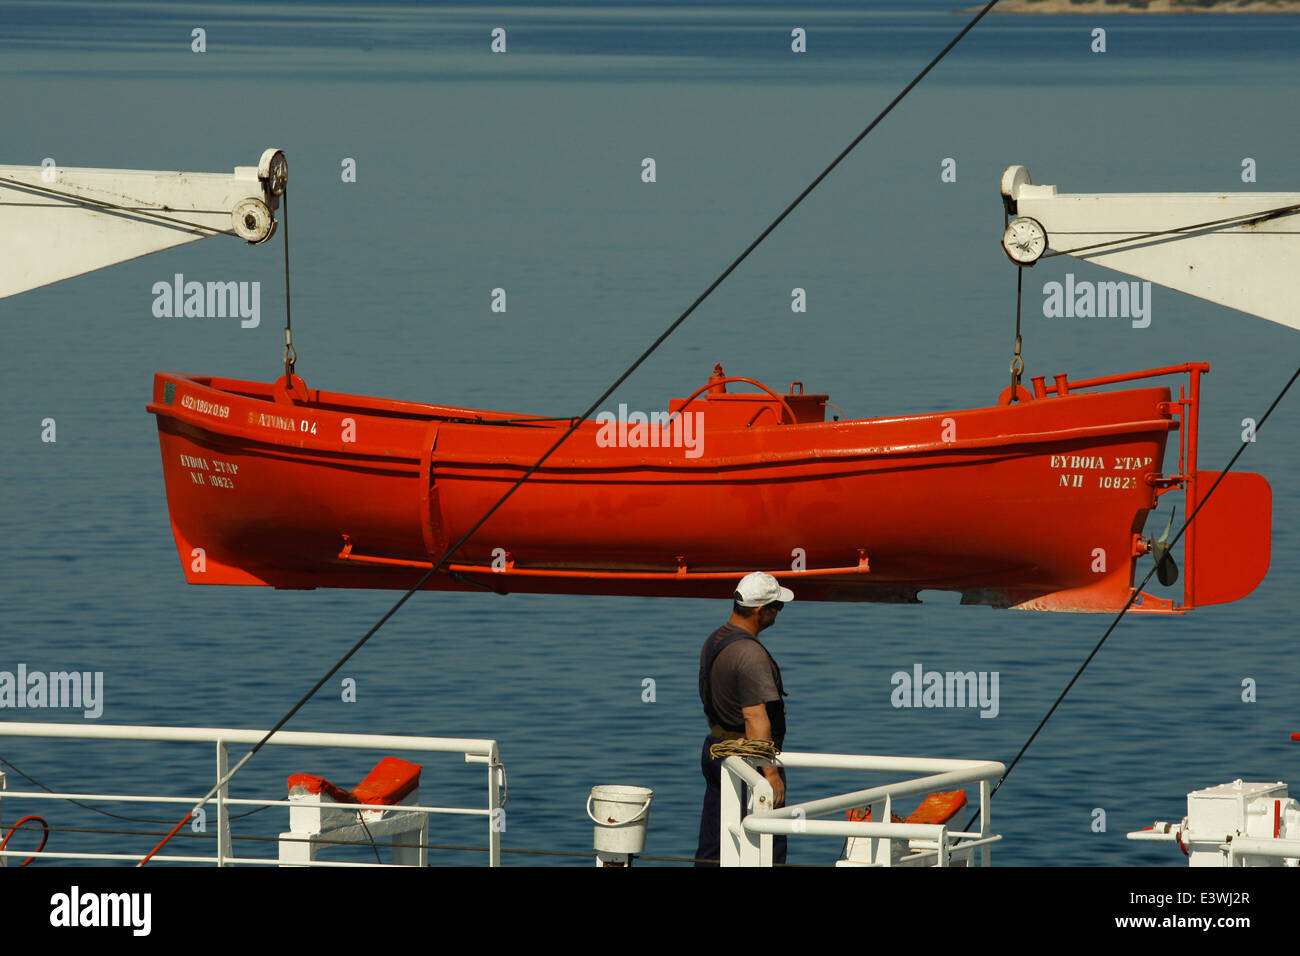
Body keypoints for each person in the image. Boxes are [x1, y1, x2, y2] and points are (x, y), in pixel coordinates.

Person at [695, 571, 793, 866]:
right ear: (760, 610)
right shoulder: (750, 654)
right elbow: (754, 717)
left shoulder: (715, 640)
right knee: (767, 844)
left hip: (717, 748)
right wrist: (771, 775)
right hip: (749, 757)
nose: (779, 613)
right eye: (778, 606)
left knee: (716, 837)